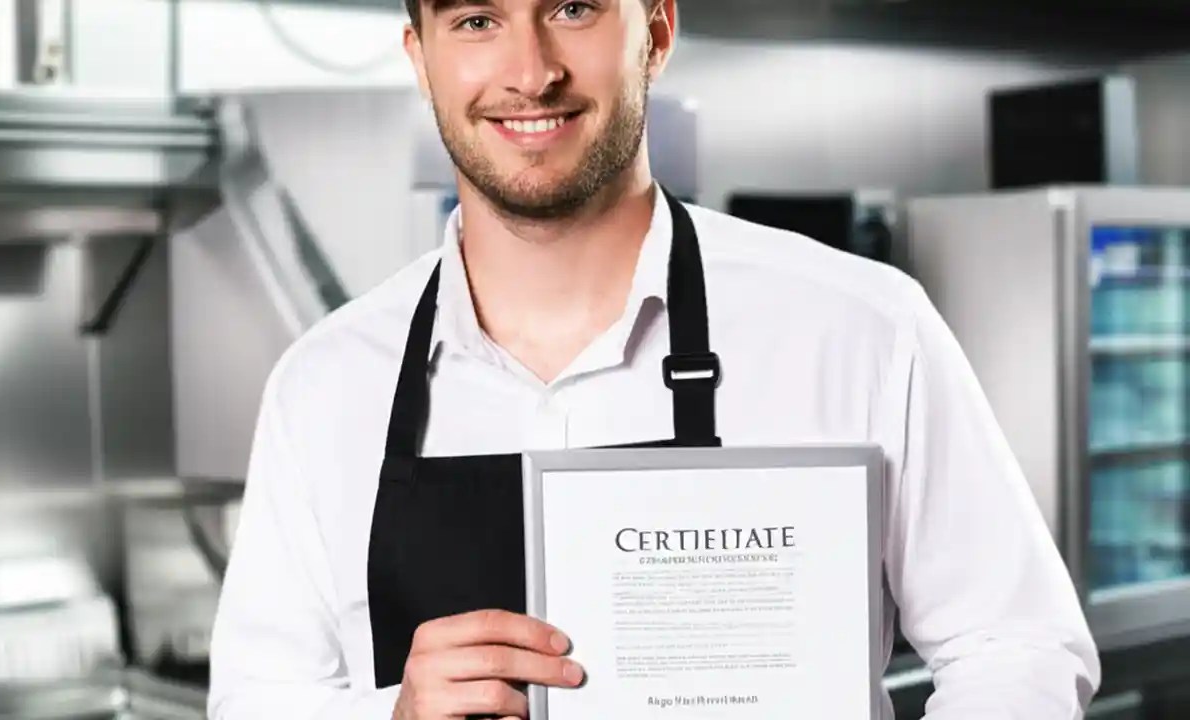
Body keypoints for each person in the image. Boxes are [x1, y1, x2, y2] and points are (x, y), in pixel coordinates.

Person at [207, 0, 1100, 718]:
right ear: (421, 54)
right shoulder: (325, 383)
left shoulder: (859, 325)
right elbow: (258, 700)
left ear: (658, 33)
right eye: (476, 21)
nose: (530, 71)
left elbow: (1015, 645)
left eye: (573, 8)